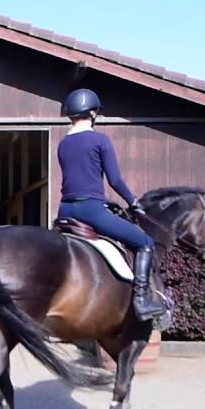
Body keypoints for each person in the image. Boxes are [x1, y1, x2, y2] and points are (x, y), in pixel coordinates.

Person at [56, 88, 165, 321]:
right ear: (93, 113)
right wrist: (133, 201)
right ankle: (141, 301)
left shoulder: (63, 144)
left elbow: (77, 179)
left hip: (65, 210)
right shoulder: (100, 140)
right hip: (91, 211)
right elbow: (114, 180)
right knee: (144, 242)